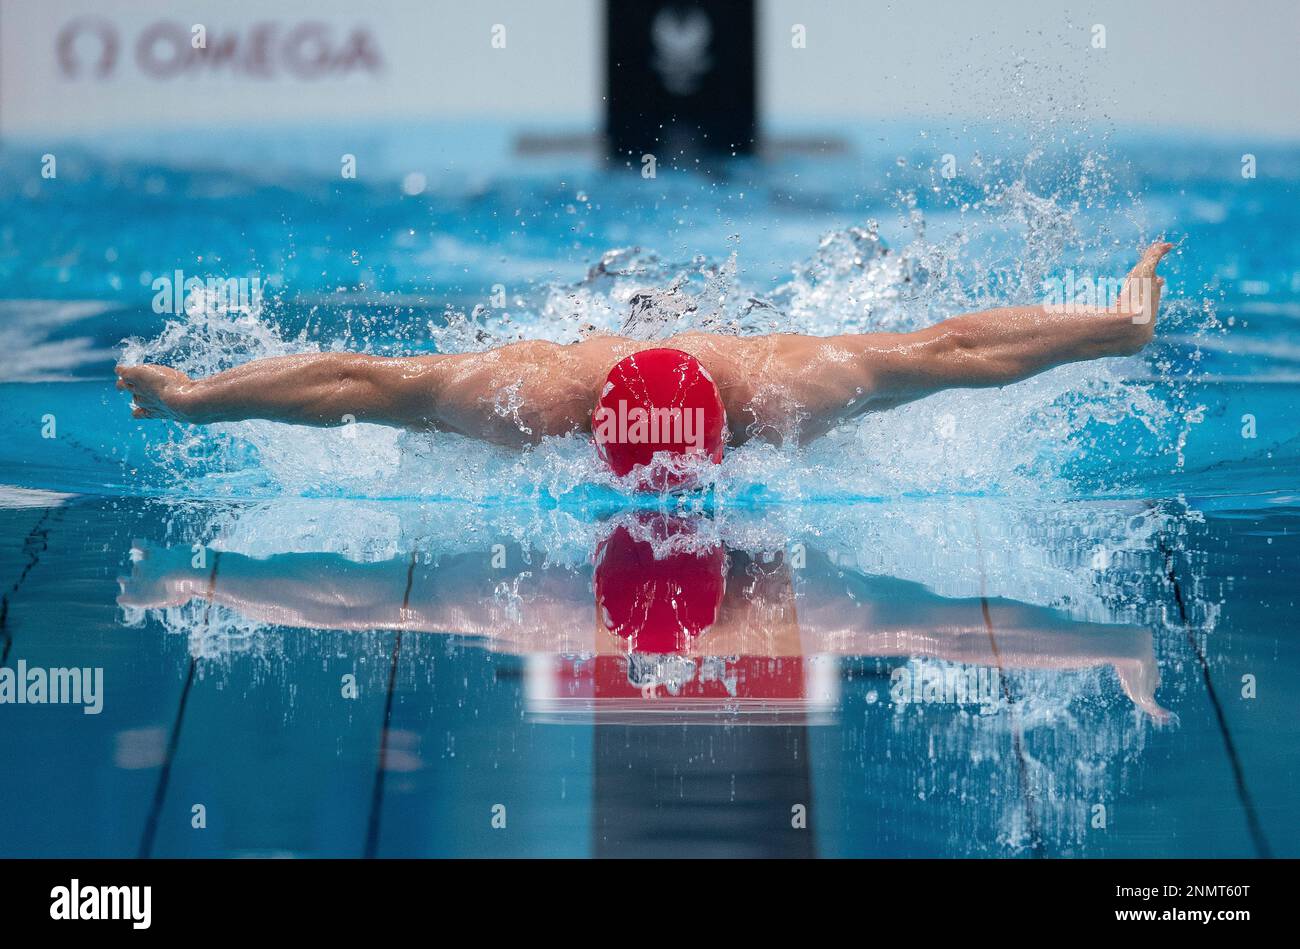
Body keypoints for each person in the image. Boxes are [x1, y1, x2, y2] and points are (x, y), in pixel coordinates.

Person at [116, 242, 1172, 453]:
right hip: (591, 356)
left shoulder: (782, 390)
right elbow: (358, 382)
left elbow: (951, 344)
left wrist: (1113, 328)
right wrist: (198, 395)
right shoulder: (527, 397)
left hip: (728, 353)